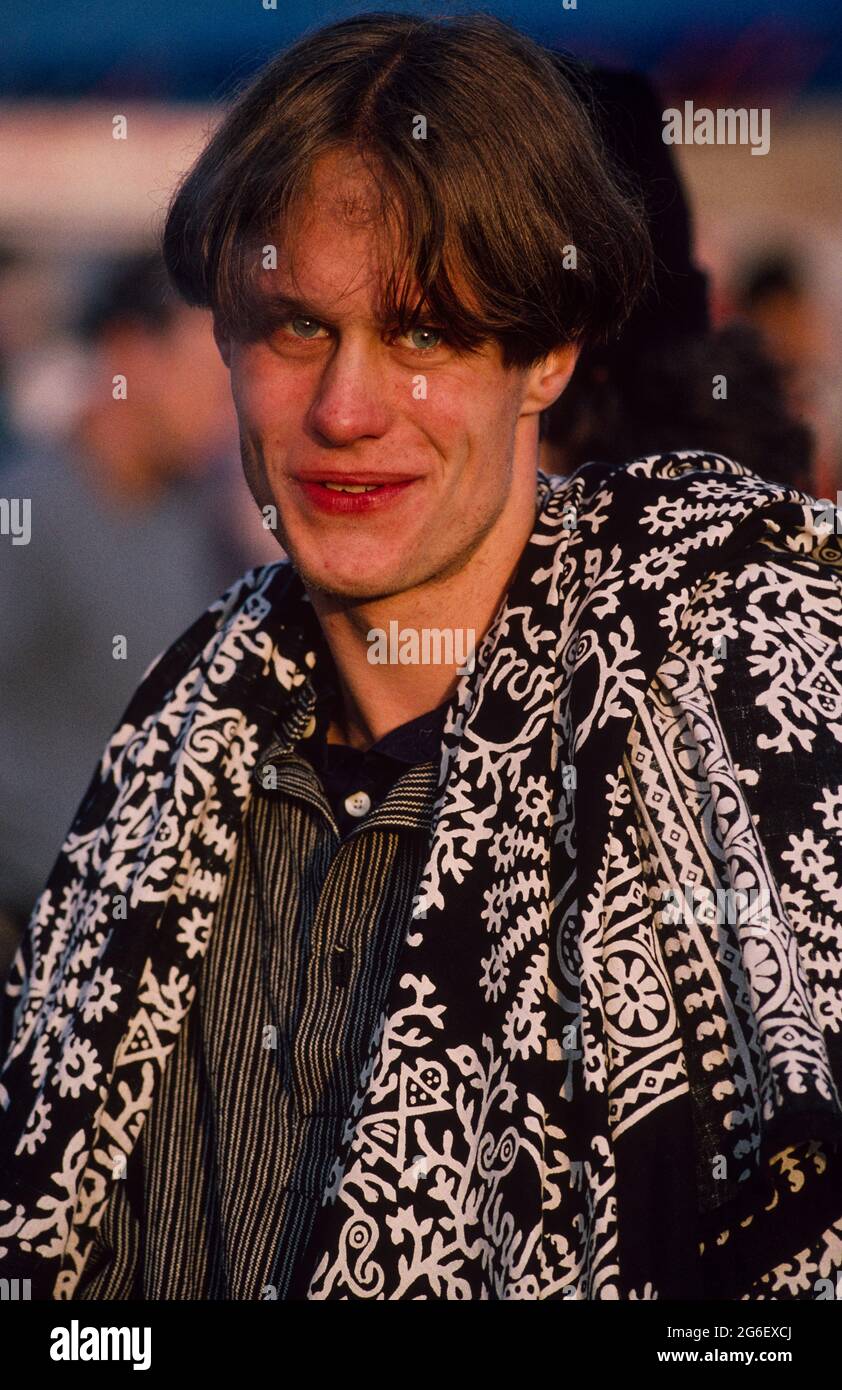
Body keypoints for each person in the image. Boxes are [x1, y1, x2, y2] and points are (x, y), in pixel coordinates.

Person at [1, 13, 841, 1302]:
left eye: (425, 334)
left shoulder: (731, 717)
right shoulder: (167, 756)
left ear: (547, 356)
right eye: (294, 330)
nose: (346, 409)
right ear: (222, 341)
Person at [0, 253, 238, 972]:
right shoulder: (28, 519)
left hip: (143, 946)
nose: (226, 409)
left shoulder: (198, 524)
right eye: (209, 378)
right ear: (131, 354)